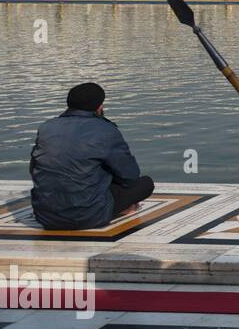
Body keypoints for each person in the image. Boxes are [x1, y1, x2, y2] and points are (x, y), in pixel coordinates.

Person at [29, 83, 155, 229]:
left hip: (46, 217)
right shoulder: (105, 129)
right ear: (100, 106)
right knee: (145, 183)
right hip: (89, 215)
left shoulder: (47, 127)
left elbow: (34, 169)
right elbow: (130, 176)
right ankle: (123, 209)